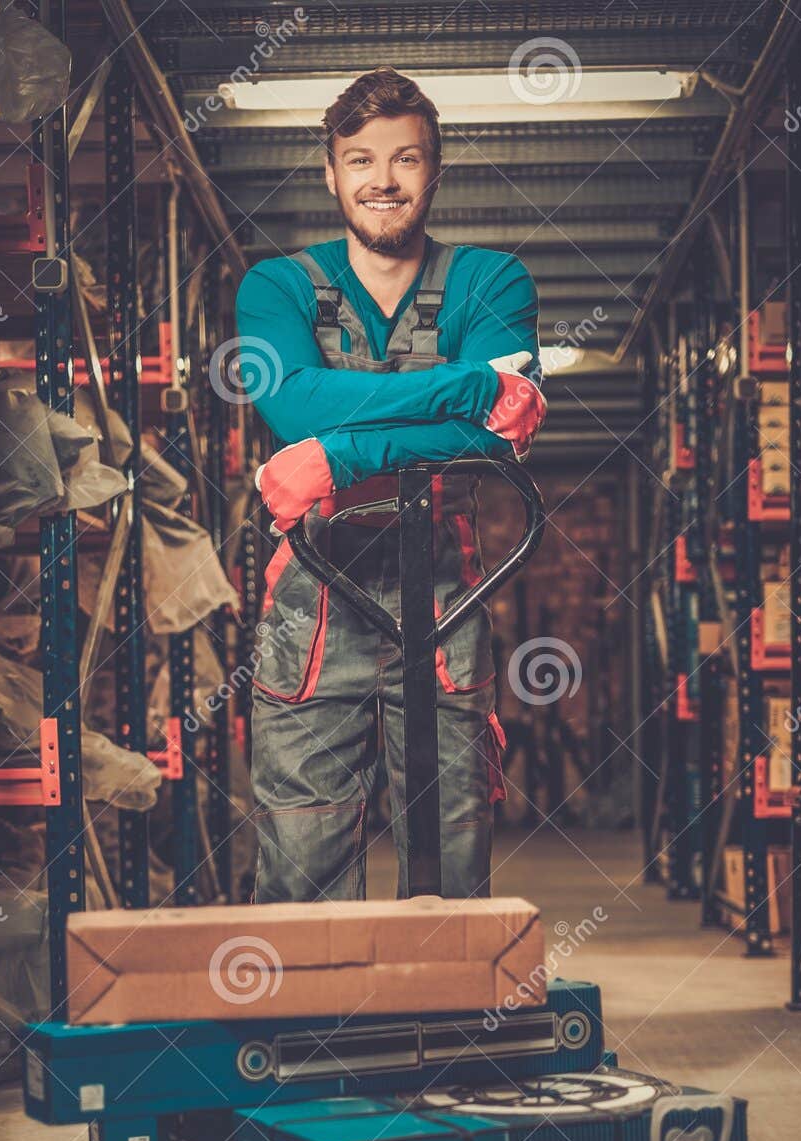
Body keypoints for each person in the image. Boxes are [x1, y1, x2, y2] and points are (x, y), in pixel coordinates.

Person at [235, 66, 546, 903]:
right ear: (330, 172)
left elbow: (501, 439)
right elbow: (289, 401)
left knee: (449, 860)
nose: (382, 180)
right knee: (301, 868)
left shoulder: (491, 280)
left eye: (405, 160)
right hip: (312, 606)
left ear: (434, 171)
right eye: (360, 160)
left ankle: (440, 1032)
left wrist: (332, 455)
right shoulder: (277, 286)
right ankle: (311, 1037)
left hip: (442, 599)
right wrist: (468, 388)